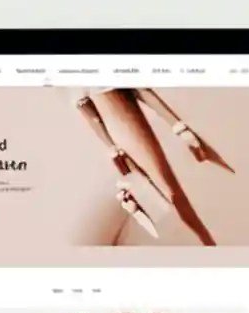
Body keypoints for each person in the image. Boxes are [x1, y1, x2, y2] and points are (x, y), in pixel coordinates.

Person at [71, 87, 233, 246]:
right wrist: (178, 127)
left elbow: (89, 111)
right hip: (116, 109)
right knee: (168, 193)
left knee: (165, 193)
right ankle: (205, 241)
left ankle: (205, 241)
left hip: (114, 118)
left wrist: (113, 150)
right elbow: (142, 91)